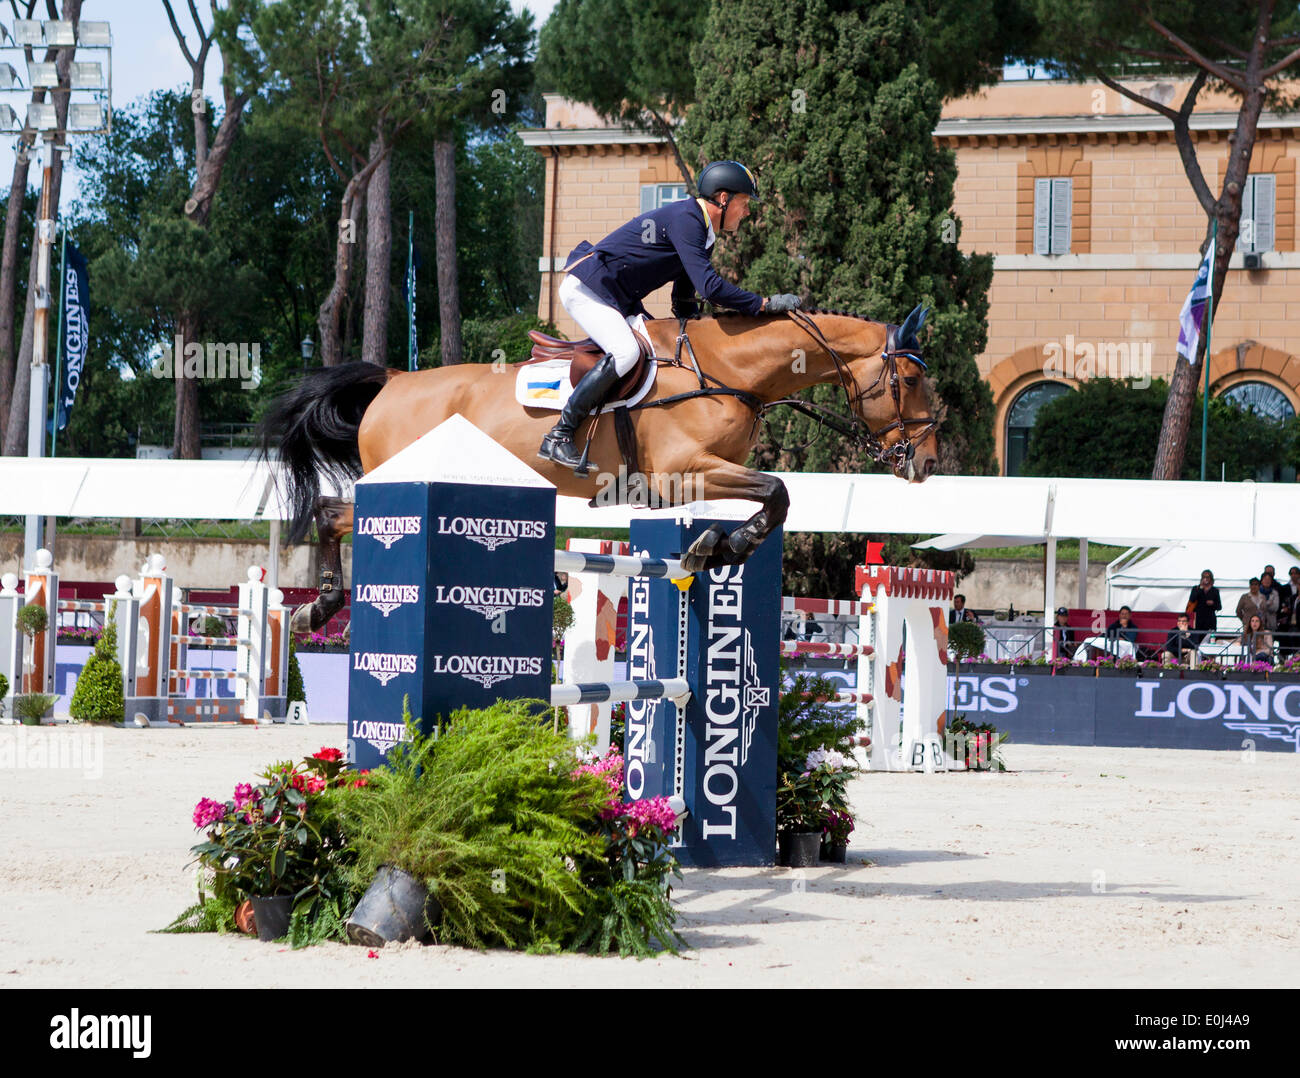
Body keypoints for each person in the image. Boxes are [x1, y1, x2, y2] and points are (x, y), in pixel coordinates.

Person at [538, 160, 803, 470]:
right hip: (588, 288)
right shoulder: (687, 219)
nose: (747, 212)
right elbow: (711, 287)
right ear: (723, 198)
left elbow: (684, 297)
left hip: (616, 297)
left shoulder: (702, 231)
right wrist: (762, 304)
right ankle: (559, 434)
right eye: (744, 203)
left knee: (661, 354)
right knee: (625, 353)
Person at [1187, 569, 1221, 647]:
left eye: (1208, 577)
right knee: (1197, 639)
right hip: (1199, 619)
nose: (1206, 579)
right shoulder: (1196, 588)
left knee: (1210, 640)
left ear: (1211, 579)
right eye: (1204, 577)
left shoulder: (1215, 591)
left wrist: (1212, 603)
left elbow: (1219, 606)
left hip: (1210, 620)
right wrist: (1200, 588)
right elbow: (1192, 599)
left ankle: (1209, 658)